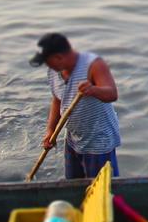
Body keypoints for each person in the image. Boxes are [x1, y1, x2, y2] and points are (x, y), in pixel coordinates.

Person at [29, 32, 122, 179]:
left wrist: (93, 90)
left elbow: (112, 94)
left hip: (98, 142)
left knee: (101, 187)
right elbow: (57, 99)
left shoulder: (93, 65)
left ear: (58, 57)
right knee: (73, 183)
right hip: (74, 139)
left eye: (48, 62)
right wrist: (50, 131)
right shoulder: (54, 72)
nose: (48, 66)